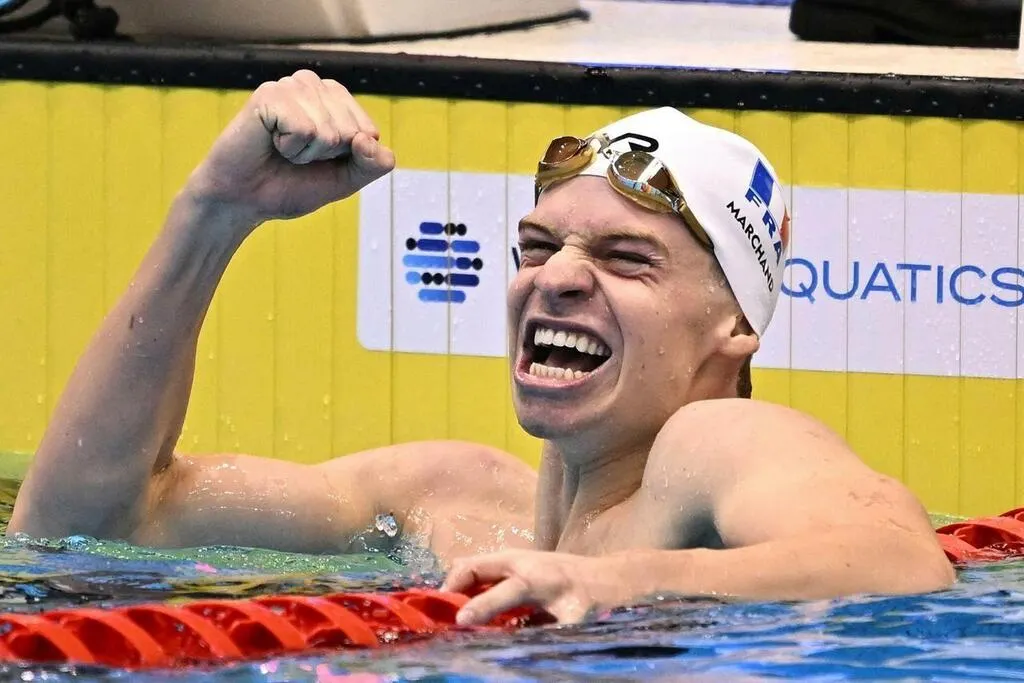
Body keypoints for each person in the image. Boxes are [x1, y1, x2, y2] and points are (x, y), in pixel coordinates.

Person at [8, 70, 954, 626]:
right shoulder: (450, 498)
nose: (557, 277)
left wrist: (614, 582)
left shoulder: (708, 449)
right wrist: (212, 215)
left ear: (735, 328)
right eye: (538, 246)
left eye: (628, 259)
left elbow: (901, 558)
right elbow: (89, 525)